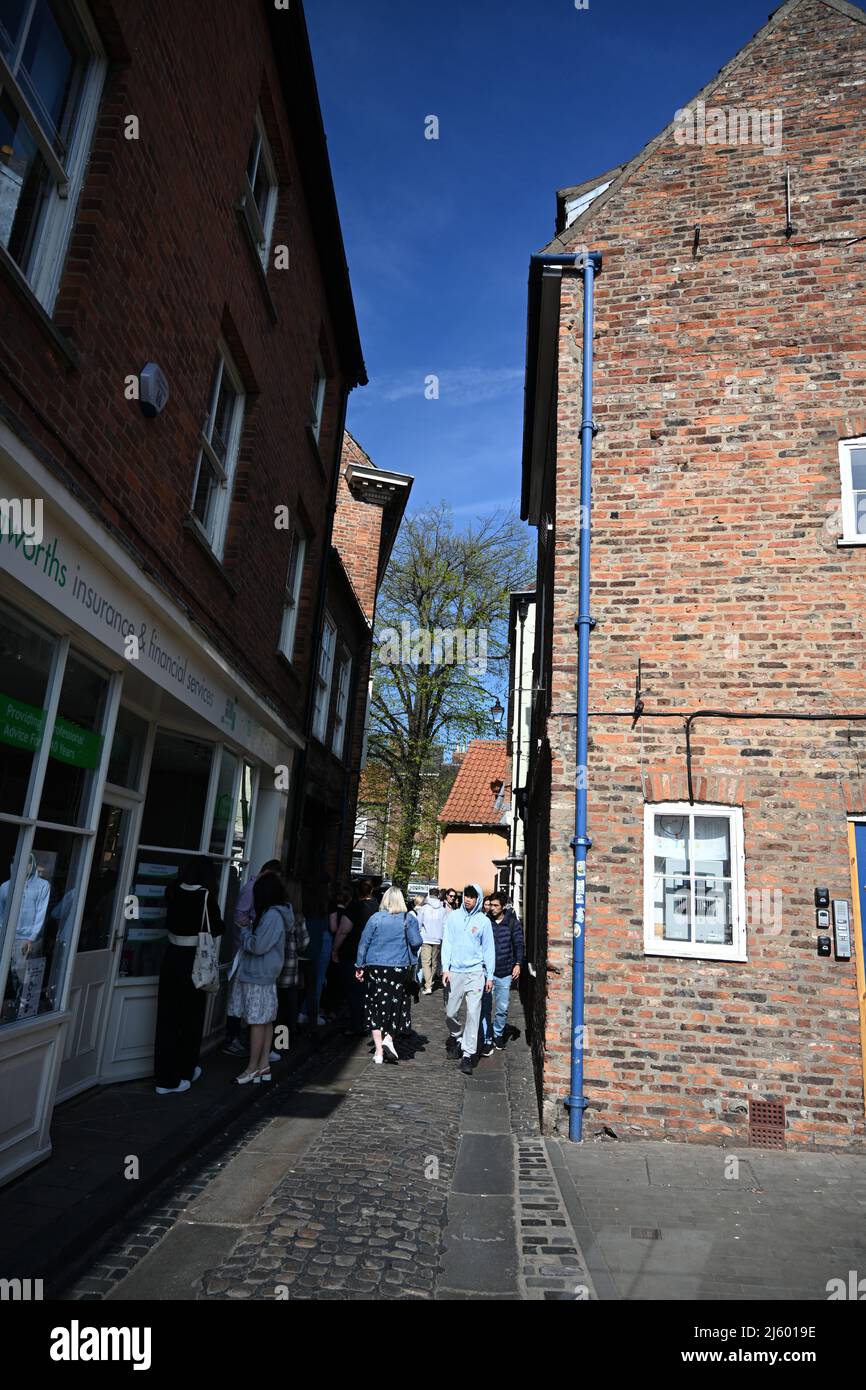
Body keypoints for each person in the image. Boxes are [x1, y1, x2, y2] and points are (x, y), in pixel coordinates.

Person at [154, 857, 224, 1095]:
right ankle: (185, 1070)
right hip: (194, 961)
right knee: (191, 1018)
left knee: (167, 1019)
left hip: (171, 957)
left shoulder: (172, 891)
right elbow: (218, 927)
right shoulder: (204, 896)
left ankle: (165, 1077)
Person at [228, 871, 287, 1084]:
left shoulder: (272, 916)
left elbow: (259, 946)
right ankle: (263, 1065)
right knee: (266, 1020)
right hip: (265, 973)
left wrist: (244, 934)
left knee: (256, 1022)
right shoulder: (277, 913)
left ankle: (252, 1067)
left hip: (259, 973)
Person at [354, 887, 422, 1065]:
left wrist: (359, 965)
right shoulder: (407, 918)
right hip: (398, 967)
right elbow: (416, 942)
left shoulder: (375, 918)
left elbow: (364, 942)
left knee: (375, 1005)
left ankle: (378, 1052)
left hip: (375, 966)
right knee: (396, 1004)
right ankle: (388, 1039)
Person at [224, 858, 281, 1057]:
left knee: (254, 1006)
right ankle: (233, 1040)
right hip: (246, 950)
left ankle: (251, 1049)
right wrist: (251, 928)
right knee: (244, 1001)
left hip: (254, 952)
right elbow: (239, 915)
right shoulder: (253, 888)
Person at [441, 883, 495, 1076]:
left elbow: (489, 950)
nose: (468, 899)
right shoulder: (454, 917)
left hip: (475, 972)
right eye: (466, 896)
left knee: (473, 1012)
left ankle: (467, 1054)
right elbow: (447, 943)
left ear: (478, 899)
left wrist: (489, 975)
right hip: (455, 971)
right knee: (450, 1012)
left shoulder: (483, 922)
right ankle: (456, 1036)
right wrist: (445, 968)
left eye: (472, 896)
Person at [478, 890, 525, 1056]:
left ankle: (498, 1033)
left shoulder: (512, 923)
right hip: (486, 972)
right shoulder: (485, 921)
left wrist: (518, 964)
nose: (492, 908)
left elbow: (519, 944)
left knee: (502, 1008)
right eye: (491, 905)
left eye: (496, 905)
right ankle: (486, 1037)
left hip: (505, 971)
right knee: (485, 1007)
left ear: (503, 906)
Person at [332, 878, 377, 1035]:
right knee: (368, 991)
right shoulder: (377, 907)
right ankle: (368, 1022)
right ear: (372, 890)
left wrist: (335, 949)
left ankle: (356, 1024)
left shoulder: (355, 906)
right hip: (372, 954)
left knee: (354, 991)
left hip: (353, 952)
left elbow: (343, 930)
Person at [275, 878, 310, 1051]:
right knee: (287, 1012)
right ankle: (281, 1045)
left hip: (272, 969)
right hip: (289, 970)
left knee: (273, 1011)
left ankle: (271, 1046)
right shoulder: (298, 917)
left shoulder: (273, 912)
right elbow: (304, 943)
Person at [416, 888, 447, 994]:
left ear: (429, 894)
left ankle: (428, 985)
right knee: (434, 963)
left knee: (425, 962)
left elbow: (419, 924)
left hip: (425, 937)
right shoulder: (443, 910)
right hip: (438, 939)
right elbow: (445, 925)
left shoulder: (423, 908)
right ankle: (430, 981)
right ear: (438, 895)